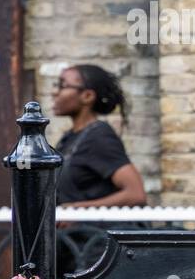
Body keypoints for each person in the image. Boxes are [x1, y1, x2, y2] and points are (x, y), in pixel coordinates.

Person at [51, 65, 147, 207]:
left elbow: (135, 194)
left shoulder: (98, 137)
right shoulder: (69, 138)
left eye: (62, 85)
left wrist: (78, 210)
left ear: (87, 96)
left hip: (94, 228)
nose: (54, 92)